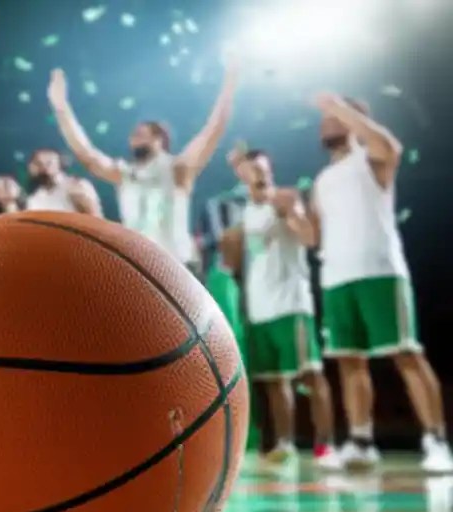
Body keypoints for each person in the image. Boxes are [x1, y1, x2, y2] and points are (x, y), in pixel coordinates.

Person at [309, 94, 451, 472]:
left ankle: (435, 439)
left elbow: (391, 145)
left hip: (380, 270)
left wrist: (340, 107)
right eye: (324, 117)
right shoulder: (322, 180)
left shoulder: (371, 158)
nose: (326, 122)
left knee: (406, 354)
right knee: (349, 362)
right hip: (336, 277)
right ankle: (360, 441)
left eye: (333, 117)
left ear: (355, 118)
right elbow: (313, 235)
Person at [47, 62, 237, 273]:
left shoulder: (178, 168)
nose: (134, 136)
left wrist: (230, 82)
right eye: (133, 133)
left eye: (142, 132)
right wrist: (61, 106)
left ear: (160, 139)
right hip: (138, 267)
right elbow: (88, 155)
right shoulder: (124, 174)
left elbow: (213, 129)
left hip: (178, 267)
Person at [221, 148, 341, 469]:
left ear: (269, 169)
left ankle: (324, 445)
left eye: (259, 167)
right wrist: (228, 246)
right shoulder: (243, 214)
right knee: (275, 381)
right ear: (240, 176)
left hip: (292, 302)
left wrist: (290, 212)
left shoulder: (286, 198)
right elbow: (233, 265)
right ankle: (286, 442)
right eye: (248, 169)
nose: (255, 173)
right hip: (260, 307)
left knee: (311, 375)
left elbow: (309, 238)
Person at [23, 148, 103, 216]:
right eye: (37, 163)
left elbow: (97, 223)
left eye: (48, 162)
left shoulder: (76, 186)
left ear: (59, 164)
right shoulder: (33, 199)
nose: (43, 167)